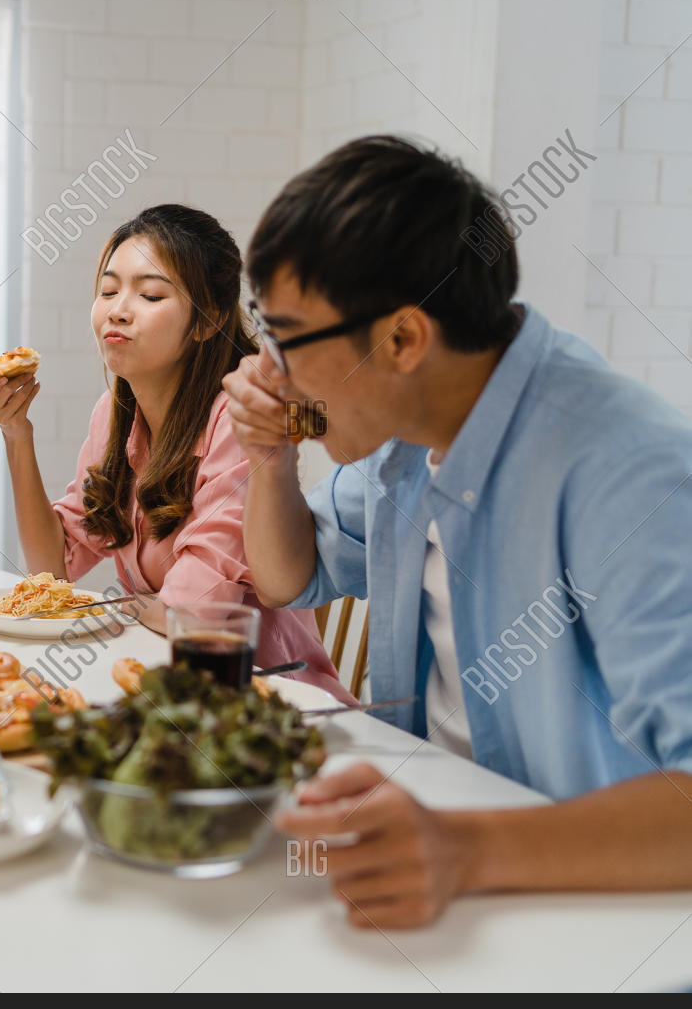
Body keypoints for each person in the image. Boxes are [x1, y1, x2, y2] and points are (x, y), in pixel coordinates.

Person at [223, 135, 692, 929]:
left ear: (403, 339)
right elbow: (288, 580)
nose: (272, 372)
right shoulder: (404, 432)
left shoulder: (627, 467)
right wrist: (269, 460)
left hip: (591, 916)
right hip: (437, 856)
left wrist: (464, 850)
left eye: (288, 338)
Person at [0, 204, 350, 703]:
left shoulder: (239, 420)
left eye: (150, 294)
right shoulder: (113, 413)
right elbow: (54, 567)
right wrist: (16, 435)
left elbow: (193, 612)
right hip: (170, 680)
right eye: (108, 291)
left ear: (207, 321)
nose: (118, 309)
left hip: (269, 699)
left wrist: (122, 608)